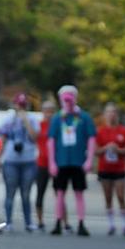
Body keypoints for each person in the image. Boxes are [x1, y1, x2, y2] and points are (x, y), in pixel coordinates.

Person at [47, 84, 96, 237]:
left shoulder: (83, 117)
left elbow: (91, 138)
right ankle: (58, 222)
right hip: (61, 161)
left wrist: (89, 159)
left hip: (78, 161)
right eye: (65, 98)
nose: (68, 101)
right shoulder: (57, 118)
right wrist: (52, 162)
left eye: (70, 97)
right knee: (59, 192)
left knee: (79, 192)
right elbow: (51, 140)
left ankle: (81, 222)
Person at [0, 92, 40, 232]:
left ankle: (28, 222)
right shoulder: (8, 119)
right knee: (10, 193)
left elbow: (35, 137)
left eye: (23, 105)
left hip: (28, 161)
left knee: (26, 194)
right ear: (14, 105)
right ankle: (8, 222)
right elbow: (2, 138)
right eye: (18, 105)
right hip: (11, 161)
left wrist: (25, 121)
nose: (21, 107)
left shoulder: (32, 118)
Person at [94, 102, 125, 236]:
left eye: (113, 112)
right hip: (105, 168)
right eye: (108, 112)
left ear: (117, 114)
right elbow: (95, 151)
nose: (111, 114)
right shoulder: (100, 130)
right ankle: (111, 225)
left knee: (121, 196)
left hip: (119, 169)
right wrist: (106, 148)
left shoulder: (123, 130)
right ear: (104, 115)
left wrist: (118, 150)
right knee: (108, 197)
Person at [34, 99, 56, 231]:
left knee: (59, 193)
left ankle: (62, 221)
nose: (49, 114)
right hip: (41, 163)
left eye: (51, 111)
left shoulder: (57, 125)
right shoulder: (39, 125)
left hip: (56, 164)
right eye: (47, 111)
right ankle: (40, 221)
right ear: (42, 112)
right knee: (40, 192)